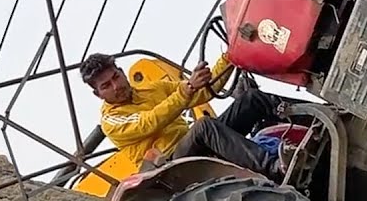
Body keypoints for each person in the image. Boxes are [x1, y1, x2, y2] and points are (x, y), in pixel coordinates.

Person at [79, 52, 286, 179]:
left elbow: (202, 92)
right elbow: (148, 121)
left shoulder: (153, 89)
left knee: (250, 99)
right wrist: (187, 88)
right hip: (168, 166)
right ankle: (275, 167)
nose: (116, 86)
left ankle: (305, 120)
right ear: (98, 94)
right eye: (106, 86)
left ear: (122, 72)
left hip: (195, 145)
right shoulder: (111, 121)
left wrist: (228, 58)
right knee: (204, 126)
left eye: (116, 77)